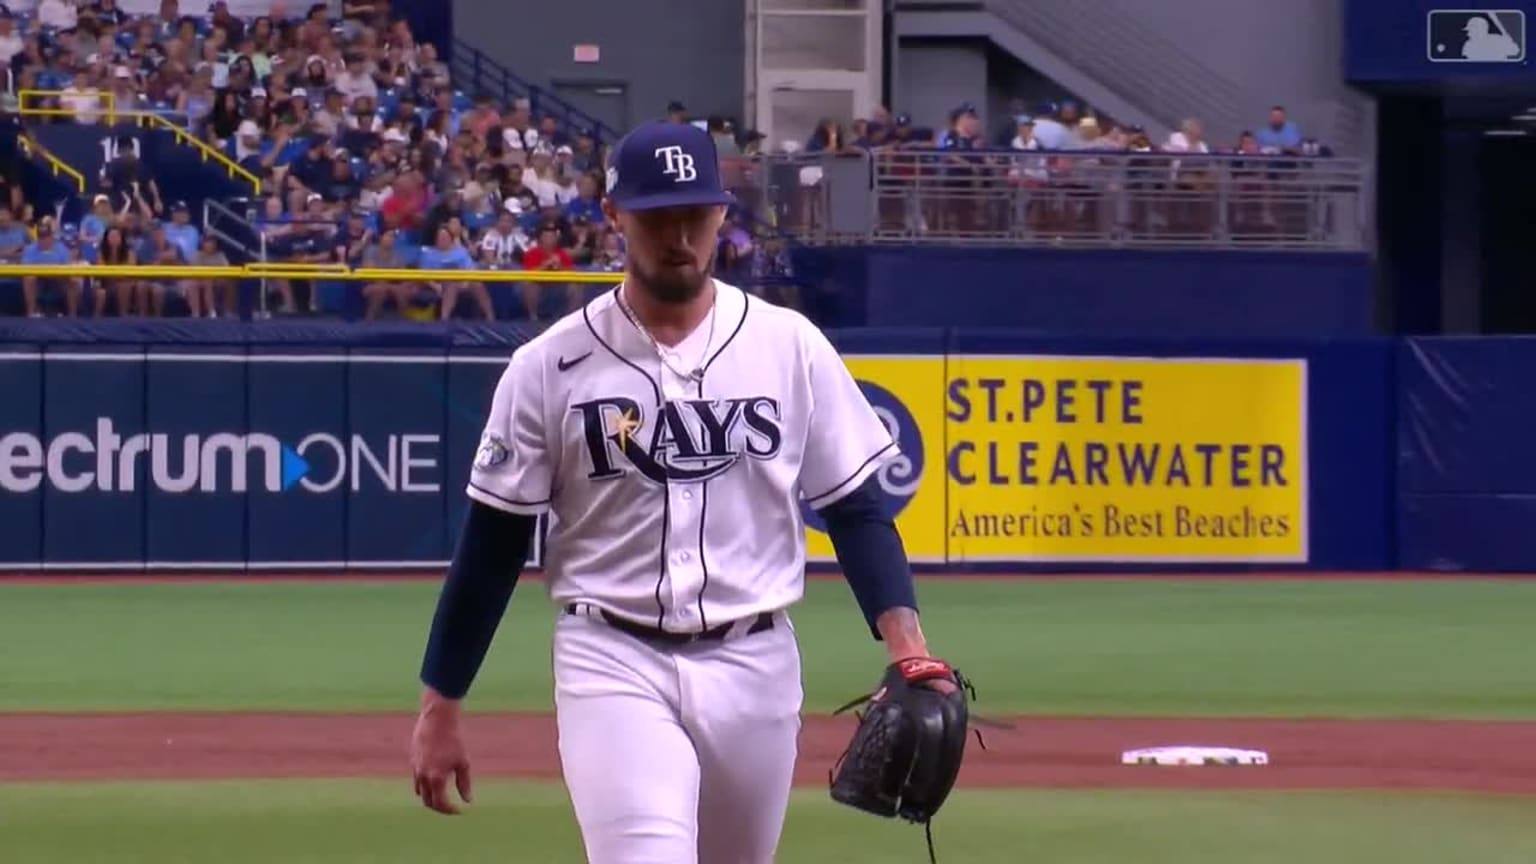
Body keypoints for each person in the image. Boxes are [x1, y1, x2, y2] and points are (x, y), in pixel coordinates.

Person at [408, 121, 951, 863]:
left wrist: (909, 646)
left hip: (755, 664)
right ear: (613, 216)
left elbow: (854, 507)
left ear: (723, 215)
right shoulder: (548, 366)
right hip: (612, 657)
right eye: (658, 217)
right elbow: (494, 545)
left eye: (695, 215)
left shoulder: (787, 345)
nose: (680, 236)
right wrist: (441, 703)